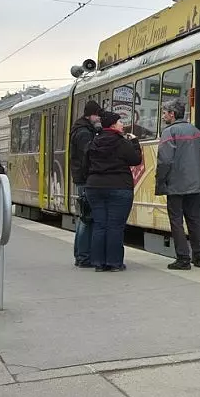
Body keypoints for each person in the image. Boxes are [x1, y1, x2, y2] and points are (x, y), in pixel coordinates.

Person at [83, 111, 142, 272]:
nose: (122, 124)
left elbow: (85, 164)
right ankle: (114, 263)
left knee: (100, 224)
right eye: (120, 122)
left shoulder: (93, 142)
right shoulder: (122, 143)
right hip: (119, 187)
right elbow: (135, 160)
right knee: (115, 226)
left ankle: (98, 263)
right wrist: (135, 143)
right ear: (113, 125)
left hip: (94, 188)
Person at [156, 99, 200, 270]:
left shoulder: (169, 132)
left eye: (165, 113)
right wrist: (194, 169)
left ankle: (183, 259)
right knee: (194, 220)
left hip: (175, 184)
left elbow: (165, 160)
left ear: (172, 114)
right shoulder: (195, 131)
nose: (163, 116)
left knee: (177, 221)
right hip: (195, 183)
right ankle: (199, 257)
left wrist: (161, 180)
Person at [69, 100, 102, 267]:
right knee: (86, 217)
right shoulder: (84, 132)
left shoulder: (82, 129)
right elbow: (88, 155)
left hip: (82, 178)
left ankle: (81, 255)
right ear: (91, 114)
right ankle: (83, 257)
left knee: (85, 217)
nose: (99, 118)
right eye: (98, 115)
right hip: (85, 179)